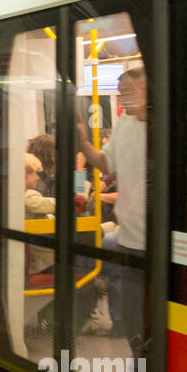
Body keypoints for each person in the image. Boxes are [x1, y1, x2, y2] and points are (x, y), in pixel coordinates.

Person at [77, 67, 147, 343]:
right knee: (133, 315)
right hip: (129, 235)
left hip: (153, 236)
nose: (121, 99)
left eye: (127, 93)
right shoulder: (124, 124)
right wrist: (83, 142)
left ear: (145, 91)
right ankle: (137, 366)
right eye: (120, 93)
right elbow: (106, 162)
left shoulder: (163, 124)